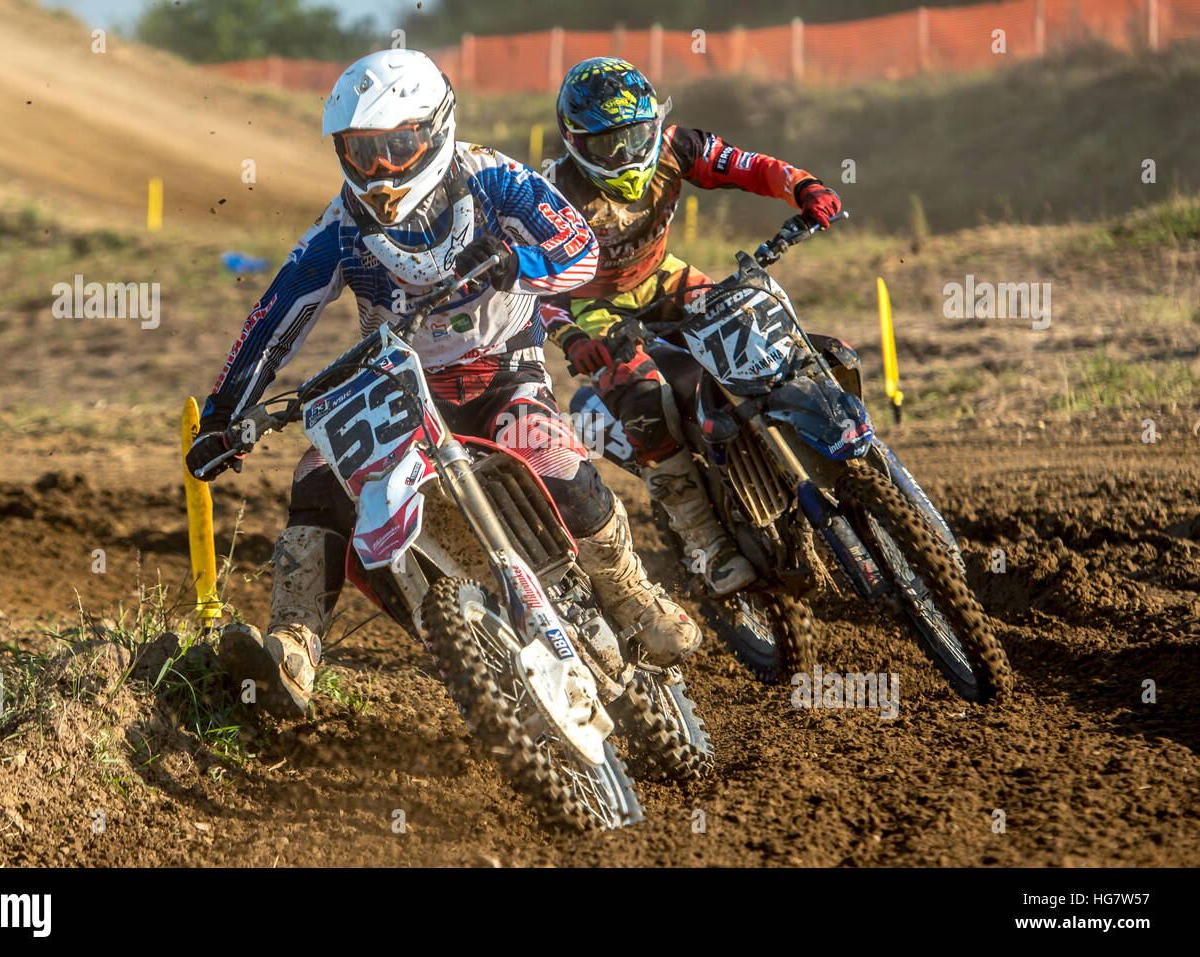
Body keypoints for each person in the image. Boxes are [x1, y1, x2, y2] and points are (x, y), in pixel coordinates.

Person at [184, 50, 699, 718]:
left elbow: (580, 251)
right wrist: (226, 411)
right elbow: (277, 317)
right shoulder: (340, 227)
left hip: (502, 372)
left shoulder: (495, 180)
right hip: (399, 387)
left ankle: (631, 593)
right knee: (317, 477)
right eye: (361, 152)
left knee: (553, 457)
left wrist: (519, 261)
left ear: (436, 129)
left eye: (397, 146)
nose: (380, 169)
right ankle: (294, 646)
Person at [540, 56, 849, 597]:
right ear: (574, 141)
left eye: (635, 136)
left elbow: (746, 164)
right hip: (596, 307)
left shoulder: (677, 147)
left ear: (654, 124)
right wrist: (573, 337)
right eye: (606, 145)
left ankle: (809, 446)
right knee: (642, 400)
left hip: (663, 277)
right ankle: (704, 540)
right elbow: (532, 287)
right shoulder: (549, 194)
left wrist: (801, 186)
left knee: (752, 329)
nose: (626, 155)